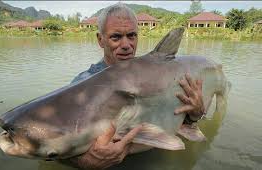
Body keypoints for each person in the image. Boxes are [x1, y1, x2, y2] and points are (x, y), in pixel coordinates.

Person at [69, 3, 205, 169]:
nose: (126, 45)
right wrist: (87, 162)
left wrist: (196, 114)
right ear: (100, 39)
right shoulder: (83, 84)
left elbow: (182, 119)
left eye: (132, 36)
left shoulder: (157, 73)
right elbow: (55, 145)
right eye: (116, 37)